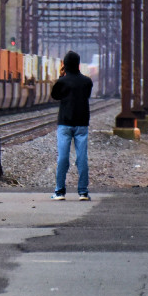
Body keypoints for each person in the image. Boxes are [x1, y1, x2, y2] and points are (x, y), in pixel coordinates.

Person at [51, 50, 94, 201]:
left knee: (63, 157)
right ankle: (83, 191)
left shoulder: (62, 82)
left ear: (65, 65)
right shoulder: (87, 81)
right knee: (82, 157)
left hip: (65, 124)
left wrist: (61, 76)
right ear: (78, 64)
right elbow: (87, 95)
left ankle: (59, 191)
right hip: (82, 123)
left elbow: (55, 95)